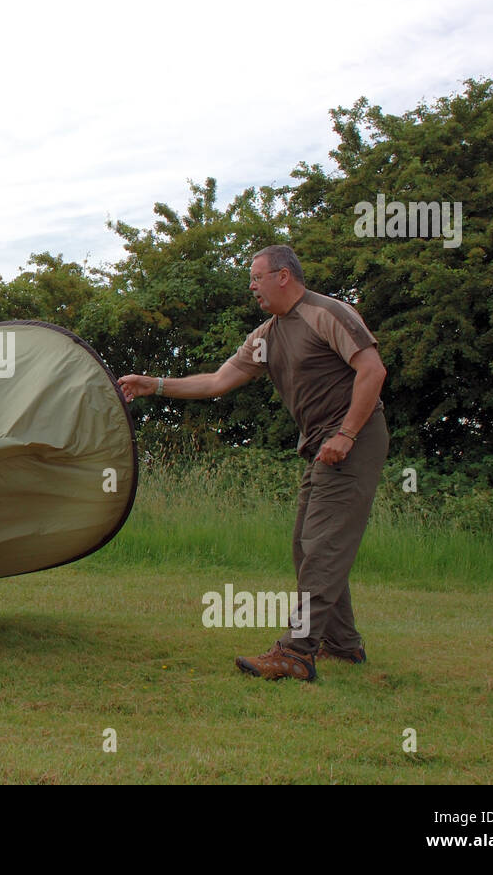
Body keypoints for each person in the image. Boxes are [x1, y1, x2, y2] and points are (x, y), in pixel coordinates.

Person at [118, 245, 389, 681]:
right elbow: (218, 381)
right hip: (322, 445)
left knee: (322, 548)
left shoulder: (328, 313)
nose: (251, 286)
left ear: (283, 276)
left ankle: (297, 653)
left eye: (256, 277)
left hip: (354, 440)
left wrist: (347, 434)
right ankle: (343, 643)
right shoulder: (266, 336)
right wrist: (156, 384)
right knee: (307, 547)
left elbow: (372, 371)